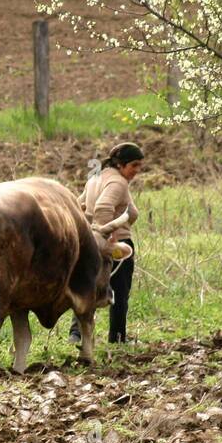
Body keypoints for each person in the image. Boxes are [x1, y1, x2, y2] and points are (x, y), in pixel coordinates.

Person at [71, 141, 142, 345]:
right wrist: (105, 235)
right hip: (115, 242)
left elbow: (80, 204)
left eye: (140, 166)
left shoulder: (96, 177)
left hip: (92, 243)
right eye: (134, 165)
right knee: (119, 292)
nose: (137, 170)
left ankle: (75, 334)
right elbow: (103, 207)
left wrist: (88, 234)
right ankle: (117, 338)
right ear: (120, 164)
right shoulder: (118, 183)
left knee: (88, 287)